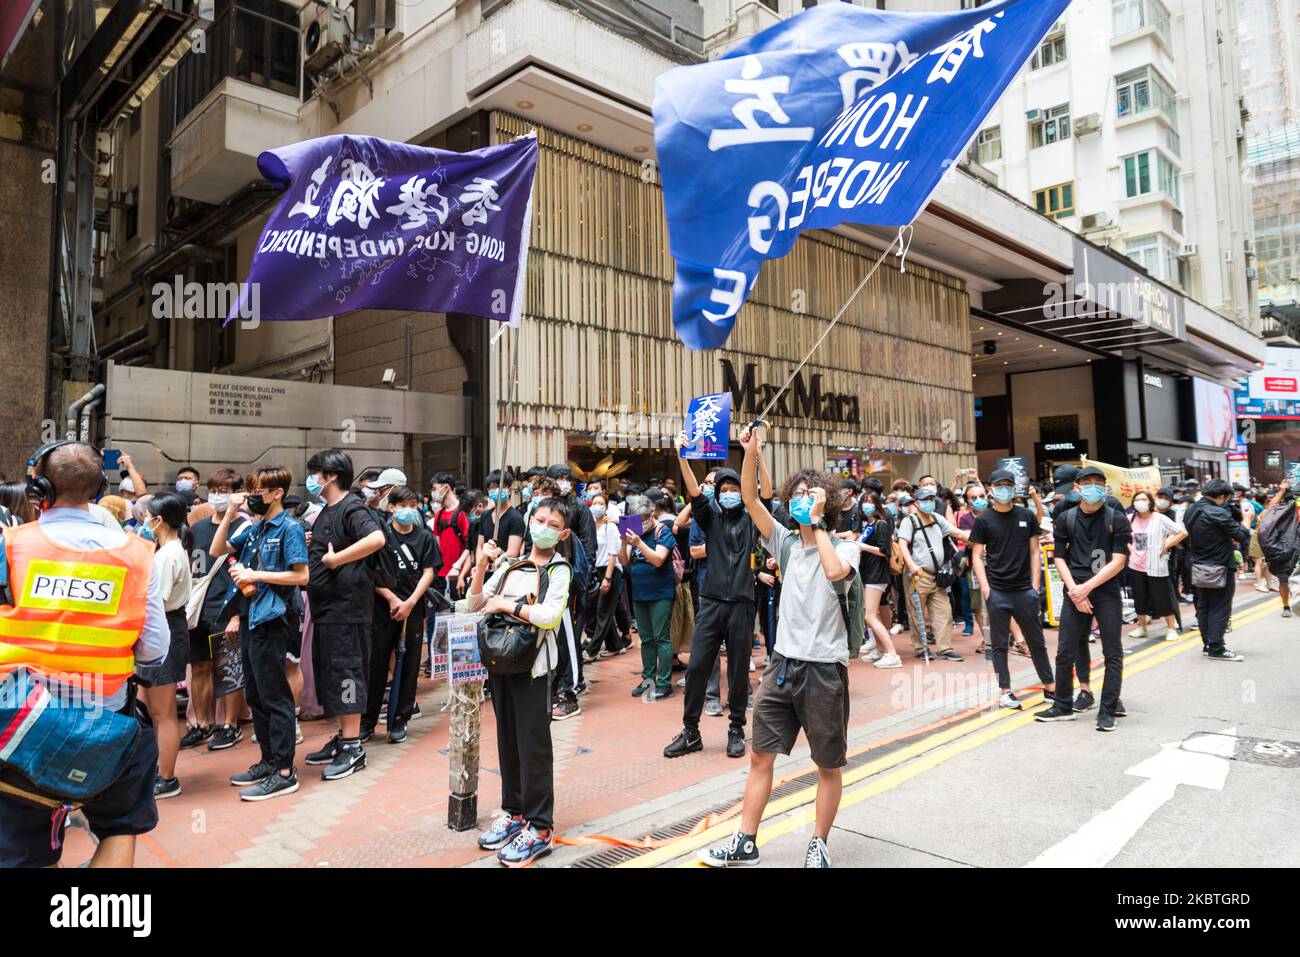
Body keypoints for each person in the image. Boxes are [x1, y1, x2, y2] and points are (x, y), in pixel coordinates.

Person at [0, 441, 168, 867]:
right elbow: (155, 649)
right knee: (120, 823)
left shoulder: (9, 546)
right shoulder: (135, 555)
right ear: (99, 490)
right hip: (102, 730)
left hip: (16, 726)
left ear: (38, 489)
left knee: (19, 845)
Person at [699, 426, 858, 868]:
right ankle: (745, 841)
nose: (803, 498)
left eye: (813, 493)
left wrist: (820, 525)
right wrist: (751, 452)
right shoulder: (783, 542)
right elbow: (750, 499)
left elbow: (833, 573)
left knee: (827, 765)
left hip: (825, 670)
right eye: (799, 494)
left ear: (827, 501)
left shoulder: (846, 547)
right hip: (781, 667)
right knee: (760, 757)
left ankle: (819, 843)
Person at [463, 498, 574, 867]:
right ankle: (513, 812)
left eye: (552, 523)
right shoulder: (510, 565)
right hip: (501, 663)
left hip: (534, 669)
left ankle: (540, 827)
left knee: (533, 748)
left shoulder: (560, 570)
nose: (543, 526)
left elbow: (548, 615)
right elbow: (474, 602)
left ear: (563, 533)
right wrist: (481, 565)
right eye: (539, 519)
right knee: (508, 742)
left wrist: (506, 606)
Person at [210, 467, 310, 799]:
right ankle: (268, 761)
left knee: (274, 694)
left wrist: (257, 573)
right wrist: (228, 513)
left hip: (273, 619)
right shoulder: (256, 528)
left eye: (259, 491)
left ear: (277, 493)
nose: (254, 496)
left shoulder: (289, 528)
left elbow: (301, 576)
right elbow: (217, 549)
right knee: (255, 694)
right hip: (250, 616)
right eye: (251, 491)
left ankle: (284, 771)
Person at [664, 437, 761, 761]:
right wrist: (681, 456)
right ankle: (690, 731)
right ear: (717, 493)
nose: (731, 493)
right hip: (712, 602)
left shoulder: (752, 519)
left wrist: (752, 453)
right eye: (725, 488)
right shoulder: (710, 517)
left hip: (742, 605)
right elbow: (693, 490)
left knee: (736, 673)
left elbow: (756, 491)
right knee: (697, 668)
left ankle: (736, 728)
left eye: (736, 488)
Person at [301, 449, 386, 780]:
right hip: (328, 611)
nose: (312, 479)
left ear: (331, 475)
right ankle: (343, 736)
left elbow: (376, 538)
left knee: (347, 674)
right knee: (333, 676)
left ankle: (353, 747)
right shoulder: (328, 510)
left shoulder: (351, 507)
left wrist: (338, 561)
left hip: (347, 612)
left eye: (316, 473)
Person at [1036, 466, 1131, 731]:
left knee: (1112, 651)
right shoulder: (1065, 518)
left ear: (1105, 487)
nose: (1092, 487)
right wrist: (1074, 590)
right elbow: (1059, 557)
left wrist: (1086, 588)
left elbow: (1119, 561)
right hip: (1074, 590)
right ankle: (1063, 705)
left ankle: (1108, 710)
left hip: (1105, 590)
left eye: (1097, 483)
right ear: (1076, 488)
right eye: (1086, 482)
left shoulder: (1115, 518)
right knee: (1065, 650)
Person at [969, 470, 1056, 711]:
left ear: (1014, 488)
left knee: (1036, 641)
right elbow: (976, 556)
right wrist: (986, 588)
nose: (1004, 489)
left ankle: (1050, 687)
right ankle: (1005, 692)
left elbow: (1035, 550)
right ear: (991, 489)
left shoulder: (1026, 515)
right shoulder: (984, 520)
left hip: (1024, 590)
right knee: (998, 644)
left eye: (1008, 485)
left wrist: (1035, 586)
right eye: (999, 485)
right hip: (997, 591)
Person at [362, 485, 438, 744]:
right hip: (383, 610)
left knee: (409, 667)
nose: (407, 510)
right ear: (391, 508)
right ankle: (367, 721)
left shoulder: (425, 537)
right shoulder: (379, 535)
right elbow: (370, 573)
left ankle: (399, 720)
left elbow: (429, 572)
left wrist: (410, 602)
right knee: (376, 665)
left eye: (412, 505)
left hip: (413, 611)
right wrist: (393, 599)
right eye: (402, 506)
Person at [130, 492, 193, 799]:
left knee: (164, 711)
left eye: (148, 516)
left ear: (159, 520)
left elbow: (160, 601)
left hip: (166, 629)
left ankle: (166, 777)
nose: (144, 521)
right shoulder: (166, 549)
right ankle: (156, 770)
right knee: (150, 707)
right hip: (162, 629)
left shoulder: (169, 554)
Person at [183, 468, 251, 751]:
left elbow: (248, 571)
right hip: (198, 607)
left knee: (229, 669)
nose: (217, 496)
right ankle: (201, 723)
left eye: (224, 492)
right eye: (214, 491)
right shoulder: (197, 529)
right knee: (199, 667)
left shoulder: (245, 529)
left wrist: (237, 614)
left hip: (228, 608)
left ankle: (230, 725)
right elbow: (191, 568)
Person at [896, 486, 969, 661]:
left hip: (938, 576)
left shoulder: (937, 518)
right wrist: (912, 565)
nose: (929, 503)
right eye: (924, 500)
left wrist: (981, 537)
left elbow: (957, 533)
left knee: (944, 612)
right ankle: (921, 648)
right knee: (917, 614)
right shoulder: (910, 521)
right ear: (917, 502)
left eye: (931, 499)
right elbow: (902, 544)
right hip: (918, 575)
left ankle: (944, 648)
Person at [1183, 478, 1251, 662]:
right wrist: (1246, 520)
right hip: (1219, 566)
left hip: (1197, 565)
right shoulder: (1218, 513)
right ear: (1221, 496)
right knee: (1220, 607)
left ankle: (1208, 644)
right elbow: (1242, 536)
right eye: (1227, 498)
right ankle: (1216, 647)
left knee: (1204, 606)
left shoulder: (1191, 510)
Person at [623, 490, 678, 704]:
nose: (642, 523)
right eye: (638, 520)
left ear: (652, 513)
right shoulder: (633, 531)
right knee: (645, 639)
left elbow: (658, 560)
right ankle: (648, 679)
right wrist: (623, 542)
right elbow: (625, 562)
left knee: (660, 637)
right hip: (639, 592)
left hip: (661, 592)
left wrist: (638, 542)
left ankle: (664, 682)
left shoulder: (663, 532)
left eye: (644, 519)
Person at [1126, 489, 1188, 639]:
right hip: (1136, 565)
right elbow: (1123, 537)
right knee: (1139, 599)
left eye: (1143, 499)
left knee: (1162, 597)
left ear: (1150, 502)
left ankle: (1171, 629)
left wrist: (1166, 545)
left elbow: (1182, 532)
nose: (1140, 503)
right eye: (1137, 500)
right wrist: (1131, 549)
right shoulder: (1130, 519)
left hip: (1156, 565)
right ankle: (1142, 628)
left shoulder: (1159, 518)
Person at [856, 489, 901, 668]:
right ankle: (882, 651)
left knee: (870, 616)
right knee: (873, 615)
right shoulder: (867, 525)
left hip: (877, 575)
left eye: (871, 501)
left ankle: (892, 654)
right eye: (864, 501)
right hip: (868, 574)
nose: (867, 504)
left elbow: (885, 551)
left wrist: (863, 546)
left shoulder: (881, 524)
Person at [582, 492, 628, 660]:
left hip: (610, 571)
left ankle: (592, 650)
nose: (597, 506)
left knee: (603, 611)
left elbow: (613, 554)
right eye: (595, 502)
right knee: (598, 609)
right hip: (596, 570)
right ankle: (615, 645)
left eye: (601, 503)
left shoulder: (611, 528)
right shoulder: (590, 527)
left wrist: (607, 578)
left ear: (606, 507)